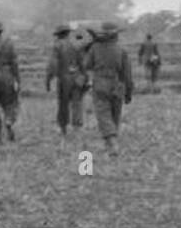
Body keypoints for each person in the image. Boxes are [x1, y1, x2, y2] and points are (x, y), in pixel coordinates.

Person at [83, 21, 133, 156]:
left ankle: (111, 142)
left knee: (103, 114)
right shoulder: (121, 50)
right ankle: (111, 142)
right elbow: (127, 74)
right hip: (117, 85)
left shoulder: (95, 48)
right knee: (115, 114)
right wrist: (129, 92)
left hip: (100, 84)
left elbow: (86, 65)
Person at [45, 24, 87, 137]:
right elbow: (82, 63)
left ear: (58, 35)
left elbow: (52, 65)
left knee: (63, 104)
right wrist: (85, 78)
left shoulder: (57, 46)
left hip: (64, 79)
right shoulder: (76, 44)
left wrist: (48, 80)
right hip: (77, 77)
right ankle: (77, 128)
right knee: (77, 103)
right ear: (68, 33)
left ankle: (63, 128)